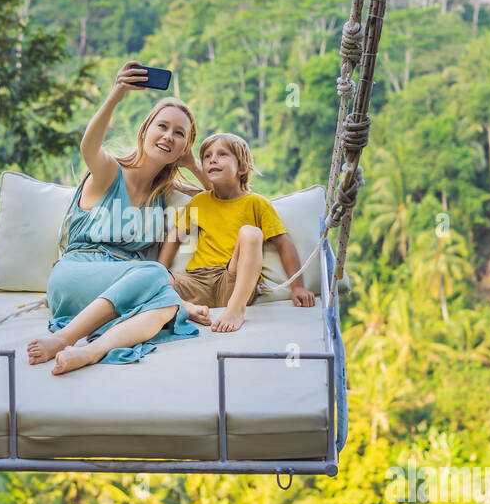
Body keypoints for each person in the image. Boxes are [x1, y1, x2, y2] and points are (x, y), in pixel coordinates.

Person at [26, 61, 212, 375]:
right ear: (146, 130)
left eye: (179, 134)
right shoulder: (109, 171)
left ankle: (90, 352)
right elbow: (89, 147)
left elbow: (223, 199)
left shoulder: (163, 192)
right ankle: (62, 339)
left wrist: (194, 166)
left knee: (167, 303)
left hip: (124, 288)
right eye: (162, 126)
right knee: (156, 274)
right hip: (77, 276)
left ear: (184, 147)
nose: (168, 136)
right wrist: (116, 95)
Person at [158, 132, 315, 333]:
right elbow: (174, 237)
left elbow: (284, 244)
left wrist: (297, 286)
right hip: (197, 280)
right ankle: (188, 308)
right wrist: (159, 271)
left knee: (251, 233)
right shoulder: (199, 202)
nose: (212, 159)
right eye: (207, 156)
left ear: (242, 167)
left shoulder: (256, 203)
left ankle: (236, 309)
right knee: (149, 277)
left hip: (233, 279)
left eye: (222, 154)